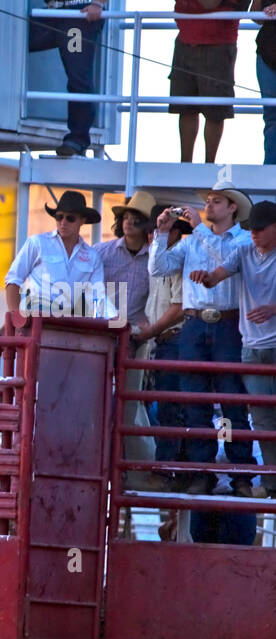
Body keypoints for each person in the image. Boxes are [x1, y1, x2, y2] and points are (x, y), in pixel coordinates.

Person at [148, 179, 257, 495]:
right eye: (209, 200)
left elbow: (225, 260)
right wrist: (161, 233)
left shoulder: (240, 241)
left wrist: (197, 229)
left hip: (225, 323)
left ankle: (238, 474)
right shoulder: (197, 239)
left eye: (216, 201)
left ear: (232, 207)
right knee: (197, 402)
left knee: (231, 403)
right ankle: (206, 471)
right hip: (198, 323)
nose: (209, 205)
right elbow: (159, 268)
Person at [190, 200, 276, 498]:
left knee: (262, 416)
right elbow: (218, 275)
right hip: (252, 347)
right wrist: (207, 278)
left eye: (261, 229)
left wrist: (272, 309)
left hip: (256, 346)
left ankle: (267, 480)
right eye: (252, 228)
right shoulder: (243, 251)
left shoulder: (245, 251)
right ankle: (270, 481)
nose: (254, 234)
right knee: (263, 418)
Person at [96, 189, 158, 478]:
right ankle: (107, 462)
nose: (128, 222)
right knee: (99, 399)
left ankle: (122, 467)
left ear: (147, 226)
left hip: (136, 339)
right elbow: (89, 294)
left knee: (128, 405)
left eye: (136, 218)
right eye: (126, 216)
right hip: (105, 334)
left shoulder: (157, 259)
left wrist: (146, 326)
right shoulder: (101, 253)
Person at [133, 206, 192, 489]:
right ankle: (173, 468)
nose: (151, 237)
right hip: (165, 340)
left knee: (171, 408)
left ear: (175, 233)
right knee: (169, 407)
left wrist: (148, 333)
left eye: (157, 232)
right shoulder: (162, 259)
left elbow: (179, 309)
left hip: (173, 338)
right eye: (151, 232)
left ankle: (170, 468)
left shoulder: (178, 261)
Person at [5, 190, 113, 322]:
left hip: (69, 319)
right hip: (37, 314)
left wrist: (114, 317)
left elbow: (98, 294)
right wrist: (16, 317)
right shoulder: (37, 243)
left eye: (70, 218)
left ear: (82, 221)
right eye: (59, 217)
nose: (63, 222)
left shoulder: (93, 256)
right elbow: (13, 279)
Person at [27, 1, 109, 157]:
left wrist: (97, 4)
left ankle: (77, 139)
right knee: (14, 34)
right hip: (50, 12)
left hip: (77, 15)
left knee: (77, 76)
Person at [171, 0, 248, 163]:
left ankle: (209, 166)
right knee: (185, 107)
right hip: (185, 40)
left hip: (218, 44)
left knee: (215, 110)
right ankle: (185, 165)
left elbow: (211, 3)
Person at [256, 2, 276, 165]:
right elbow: (256, 17)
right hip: (268, 52)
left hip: (268, 51)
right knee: (271, 117)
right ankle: (271, 167)